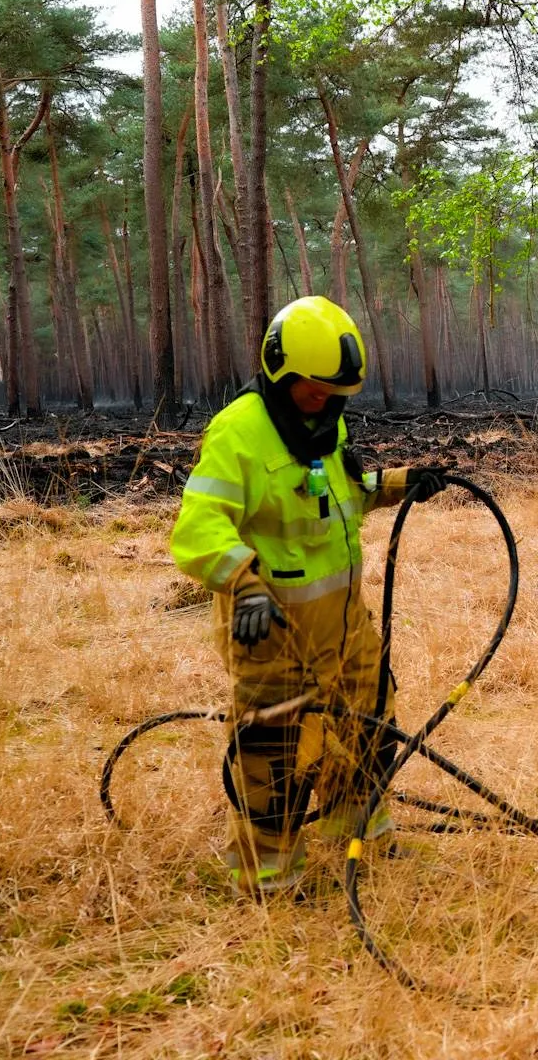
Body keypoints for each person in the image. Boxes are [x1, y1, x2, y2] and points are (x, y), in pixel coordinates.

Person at [171, 296, 445, 898]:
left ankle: (361, 842)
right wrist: (243, 584)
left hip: (346, 630)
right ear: (279, 372)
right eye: (314, 392)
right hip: (275, 636)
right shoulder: (237, 433)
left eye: (335, 395)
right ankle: (269, 879)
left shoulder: (326, 421)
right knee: (276, 759)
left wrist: (399, 484)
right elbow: (197, 526)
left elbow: (339, 495)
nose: (325, 404)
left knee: (367, 728)